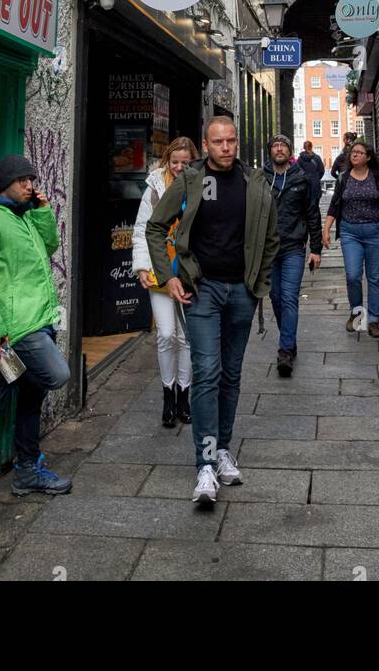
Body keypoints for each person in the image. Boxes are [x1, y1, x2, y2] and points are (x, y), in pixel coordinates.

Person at [146, 116, 278, 508]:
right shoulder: (191, 179)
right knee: (207, 372)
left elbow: (272, 238)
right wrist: (168, 277)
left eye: (232, 141)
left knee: (232, 373)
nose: (226, 147)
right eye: (218, 142)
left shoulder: (255, 183)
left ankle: (222, 449)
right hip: (201, 290)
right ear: (206, 144)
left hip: (241, 292)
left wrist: (259, 285)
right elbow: (156, 228)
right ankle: (204, 462)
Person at [0, 154, 73, 495]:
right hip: (17, 324)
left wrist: (43, 210)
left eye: (32, 180)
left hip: (39, 316)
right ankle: (6, 371)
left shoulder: (25, 215)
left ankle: (27, 470)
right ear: (5, 184)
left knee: (34, 395)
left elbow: (50, 246)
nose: (30, 186)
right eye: (23, 181)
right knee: (57, 375)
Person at [131, 136, 198, 428]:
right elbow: (142, 229)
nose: (180, 167)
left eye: (185, 162)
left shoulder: (201, 187)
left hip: (189, 273)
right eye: (175, 162)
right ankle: (167, 394)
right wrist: (142, 266)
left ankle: (184, 395)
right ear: (167, 161)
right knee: (167, 334)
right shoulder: (155, 190)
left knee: (186, 338)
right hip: (160, 271)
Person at [323, 140, 379, 337]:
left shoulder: (378, 178)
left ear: (368, 157)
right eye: (353, 152)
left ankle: (374, 320)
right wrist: (326, 230)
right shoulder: (343, 179)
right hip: (350, 233)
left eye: (360, 152)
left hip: (376, 232)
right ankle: (357, 316)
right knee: (353, 275)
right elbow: (334, 206)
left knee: (375, 278)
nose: (355, 155)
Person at [265, 134, 322, 375]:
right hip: (268, 250)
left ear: (290, 151)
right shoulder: (261, 179)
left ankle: (285, 351)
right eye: (275, 146)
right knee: (276, 298)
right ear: (270, 151)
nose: (279, 149)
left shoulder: (302, 178)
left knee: (289, 297)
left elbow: (312, 213)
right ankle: (289, 338)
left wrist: (316, 249)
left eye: (283, 146)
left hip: (293, 248)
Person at [297, 140, 325, 209]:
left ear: (303, 147)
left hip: (304, 186)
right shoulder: (317, 158)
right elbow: (322, 171)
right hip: (315, 185)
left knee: (305, 208)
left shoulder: (300, 159)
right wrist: (316, 178)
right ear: (311, 147)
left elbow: (297, 172)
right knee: (315, 208)